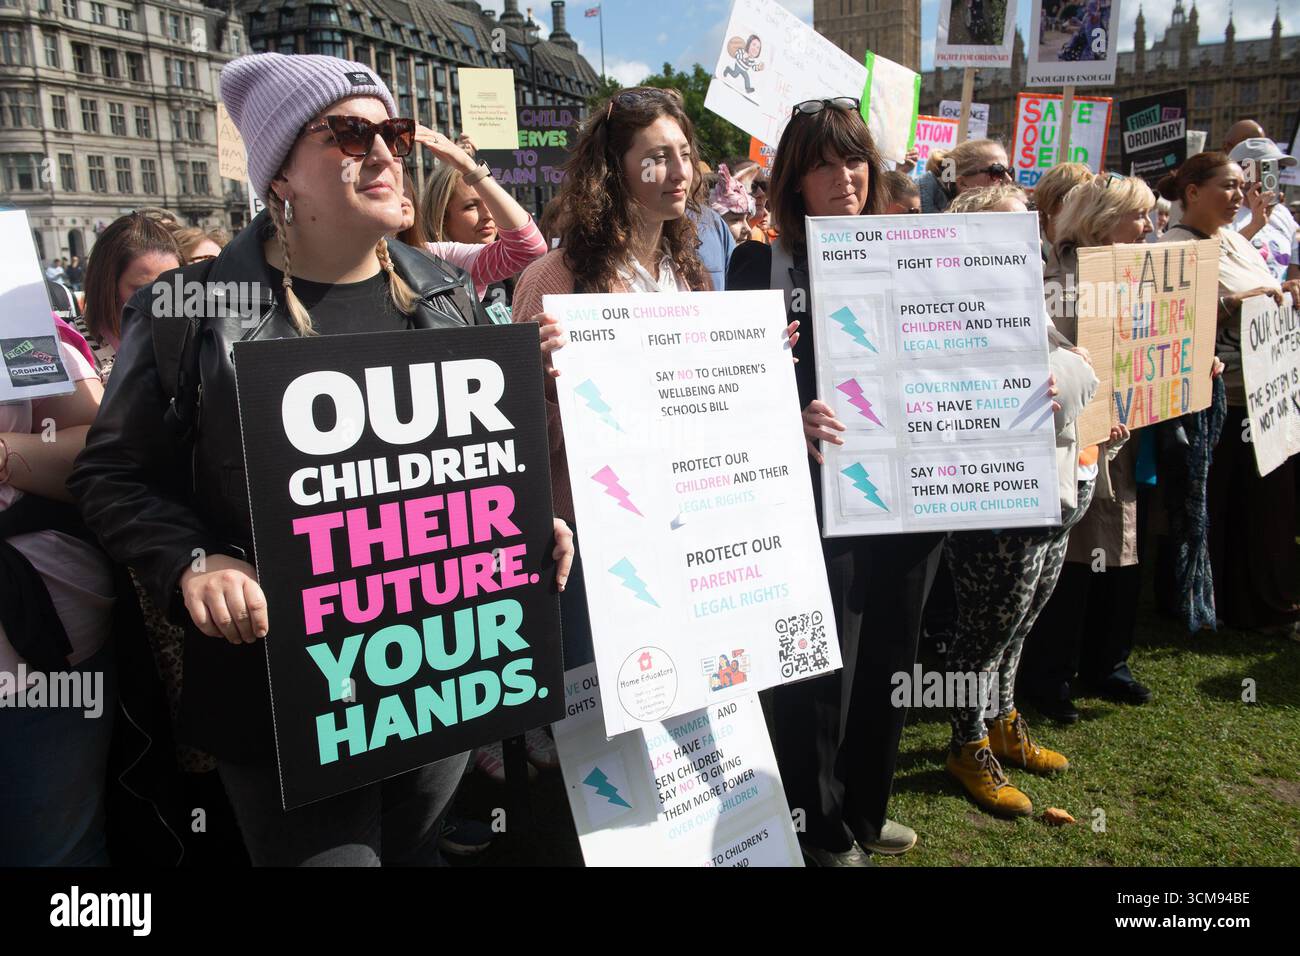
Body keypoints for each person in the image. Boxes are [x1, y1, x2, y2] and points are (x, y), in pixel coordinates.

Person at [70, 52, 573, 867]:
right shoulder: (188, 310)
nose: (382, 152)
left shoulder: (445, 301)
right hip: (280, 704)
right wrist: (194, 562)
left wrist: (524, 525)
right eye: (348, 133)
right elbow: (110, 473)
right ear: (280, 176)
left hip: (433, 684)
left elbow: (461, 476)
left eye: (394, 133)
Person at [727, 96, 937, 865]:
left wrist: (1012, 388)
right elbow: (730, 387)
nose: (842, 176)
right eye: (821, 162)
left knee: (892, 648)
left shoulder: (916, 248)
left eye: (853, 158)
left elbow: (959, 350)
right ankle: (816, 820)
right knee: (823, 665)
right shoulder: (762, 263)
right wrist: (789, 409)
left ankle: (867, 807)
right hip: (817, 493)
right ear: (793, 178)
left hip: (916, 488)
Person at [940, 181, 1096, 816]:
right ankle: (966, 742)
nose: (1028, 244)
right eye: (1011, 231)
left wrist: (1070, 380)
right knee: (982, 632)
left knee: (1021, 622)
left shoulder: (1025, 294)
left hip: (1053, 494)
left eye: (1029, 231)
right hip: (996, 504)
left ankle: (1003, 718)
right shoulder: (955, 308)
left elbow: (1071, 376)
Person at [1021, 174, 1161, 723]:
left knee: (1119, 551)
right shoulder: (1055, 280)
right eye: (1139, 215)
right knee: (1071, 563)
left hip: (1122, 439)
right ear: (1103, 220)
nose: (1148, 227)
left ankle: (1107, 664)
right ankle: (1048, 677)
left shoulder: (1139, 276)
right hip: (1076, 444)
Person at [1160, 152, 1300, 634]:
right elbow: (1166, 322)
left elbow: (1265, 287)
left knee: (1266, 509)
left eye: (1242, 187)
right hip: (1225, 404)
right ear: (1192, 192)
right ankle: (1240, 606)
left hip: (1268, 396)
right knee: (1241, 511)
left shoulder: (1231, 241)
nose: (1238, 195)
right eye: (1228, 186)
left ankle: (1264, 602)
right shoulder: (1173, 247)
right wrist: (1230, 304)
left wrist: (1285, 293)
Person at [0, 326, 113, 865]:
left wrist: (2, 455)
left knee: (52, 848)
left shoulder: (15, 332)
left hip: (33, 666)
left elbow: (100, 447)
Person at [413, 135, 548, 306]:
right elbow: (528, 247)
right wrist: (468, 167)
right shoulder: (429, 262)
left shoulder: (518, 273)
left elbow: (529, 248)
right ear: (442, 216)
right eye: (471, 206)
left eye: (492, 204)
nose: (489, 215)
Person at [76, 211, 183, 377]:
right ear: (108, 285)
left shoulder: (189, 337)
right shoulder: (73, 344)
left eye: (173, 289)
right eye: (145, 291)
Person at [1229, 138, 1298, 282]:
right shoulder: (1223, 212)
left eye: (1278, 167)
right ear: (1243, 170)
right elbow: (1221, 258)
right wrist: (1255, 225)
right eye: (1268, 166)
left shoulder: (1282, 213)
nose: (1273, 174)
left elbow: (1293, 268)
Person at [916, 139, 1012, 213]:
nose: (1009, 179)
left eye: (1010, 172)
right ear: (962, 182)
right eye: (998, 171)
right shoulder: (914, 211)